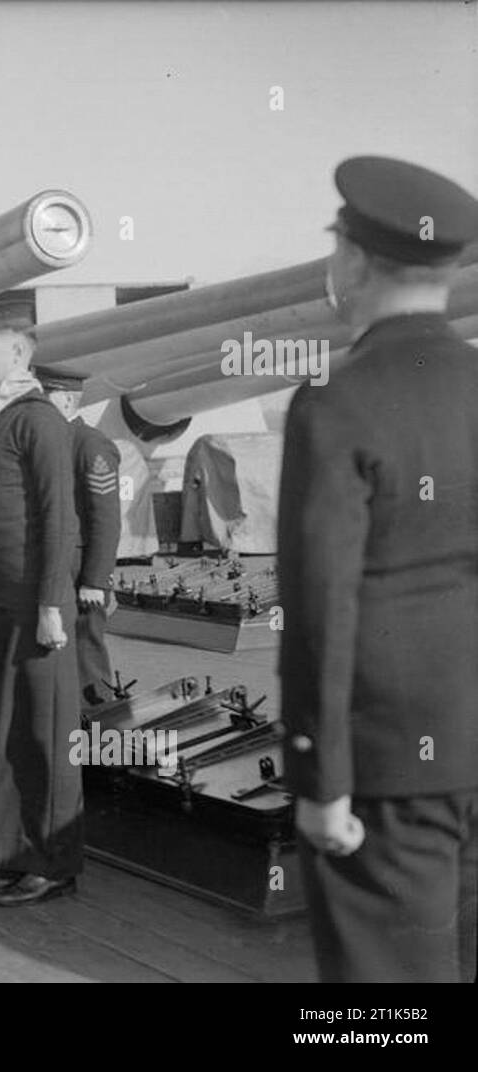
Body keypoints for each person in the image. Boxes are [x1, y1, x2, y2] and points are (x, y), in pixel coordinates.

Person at [278, 155, 478, 983]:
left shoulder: (336, 398)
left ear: (352, 259)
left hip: (389, 770)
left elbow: (324, 608)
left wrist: (322, 782)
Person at [0, 292, 82, 907]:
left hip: (36, 605)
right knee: (6, 731)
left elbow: (59, 518)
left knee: (46, 734)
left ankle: (55, 862)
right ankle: (9, 854)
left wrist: (53, 604)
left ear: (17, 349)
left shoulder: (38, 420)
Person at [35, 366, 122, 707]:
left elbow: (106, 519)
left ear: (69, 400)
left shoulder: (90, 444)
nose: (39, 404)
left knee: (86, 660)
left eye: (47, 396)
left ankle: (100, 733)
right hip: (56, 571)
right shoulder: (48, 441)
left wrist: (95, 580)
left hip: (80, 574)